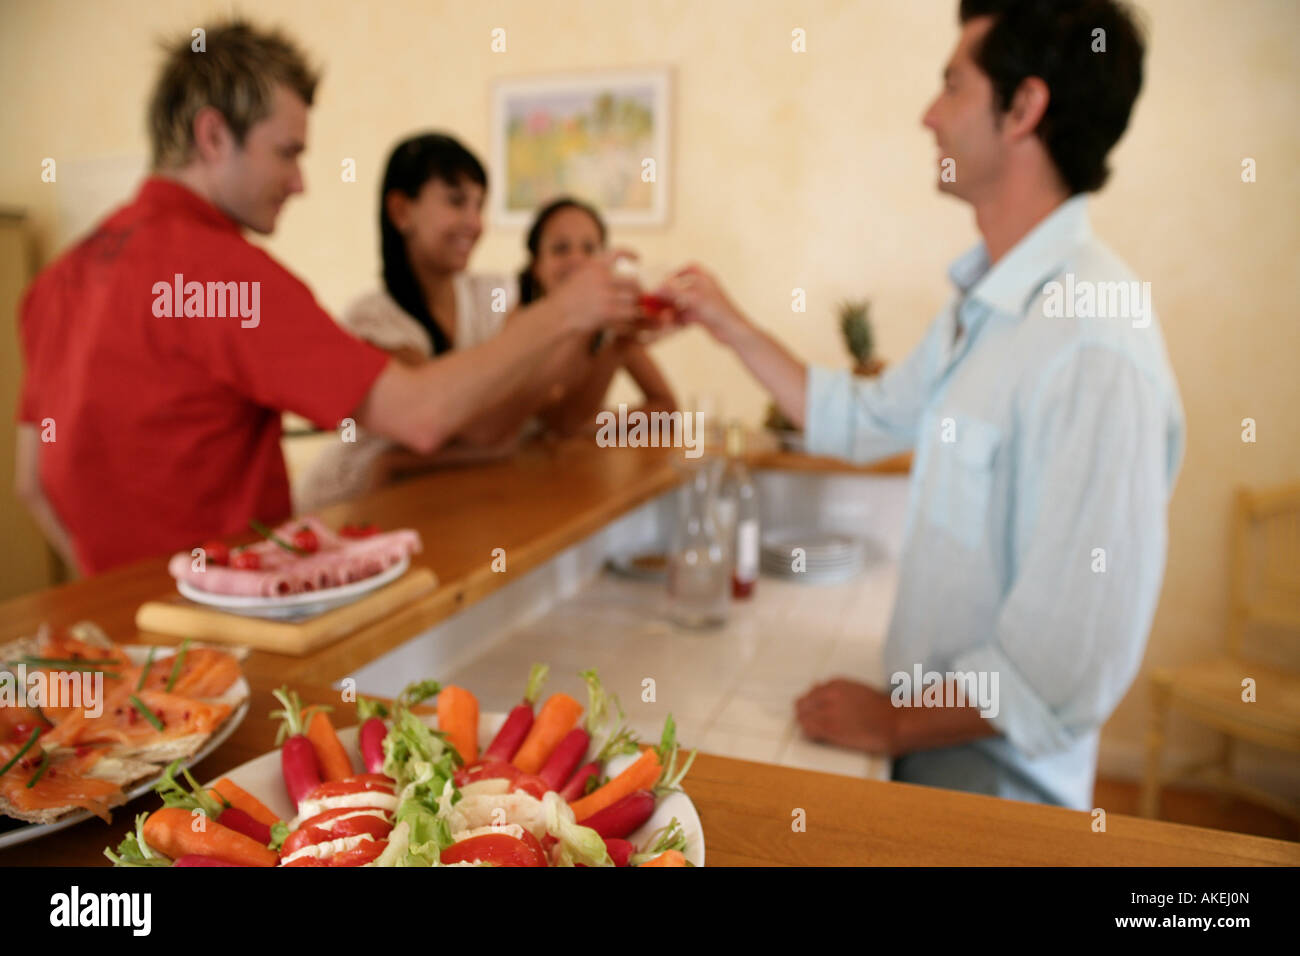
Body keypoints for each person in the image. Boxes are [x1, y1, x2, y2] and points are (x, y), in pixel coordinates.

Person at [659, 0, 1184, 810]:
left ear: (1024, 109)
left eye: (951, 87)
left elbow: (1069, 664)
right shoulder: (986, 305)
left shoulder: (1094, 344)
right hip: (932, 773)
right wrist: (728, 325)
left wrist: (897, 721)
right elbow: (864, 421)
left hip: (998, 809)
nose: (926, 116)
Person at [14, 20, 641, 575]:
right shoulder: (226, 278)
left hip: (113, 638)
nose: (300, 182)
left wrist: (114, 596)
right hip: (225, 624)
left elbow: (33, 482)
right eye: (286, 153)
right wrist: (565, 312)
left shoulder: (59, 277)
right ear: (212, 137)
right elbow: (421, 415)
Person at [518, 197, 677, 437]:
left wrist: (601, 424)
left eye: (589, 249)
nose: (577, 260)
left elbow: (667, 411)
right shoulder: (519, 327)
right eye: (561, 248)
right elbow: (558, 423)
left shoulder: (609, 327)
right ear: (536, 265)